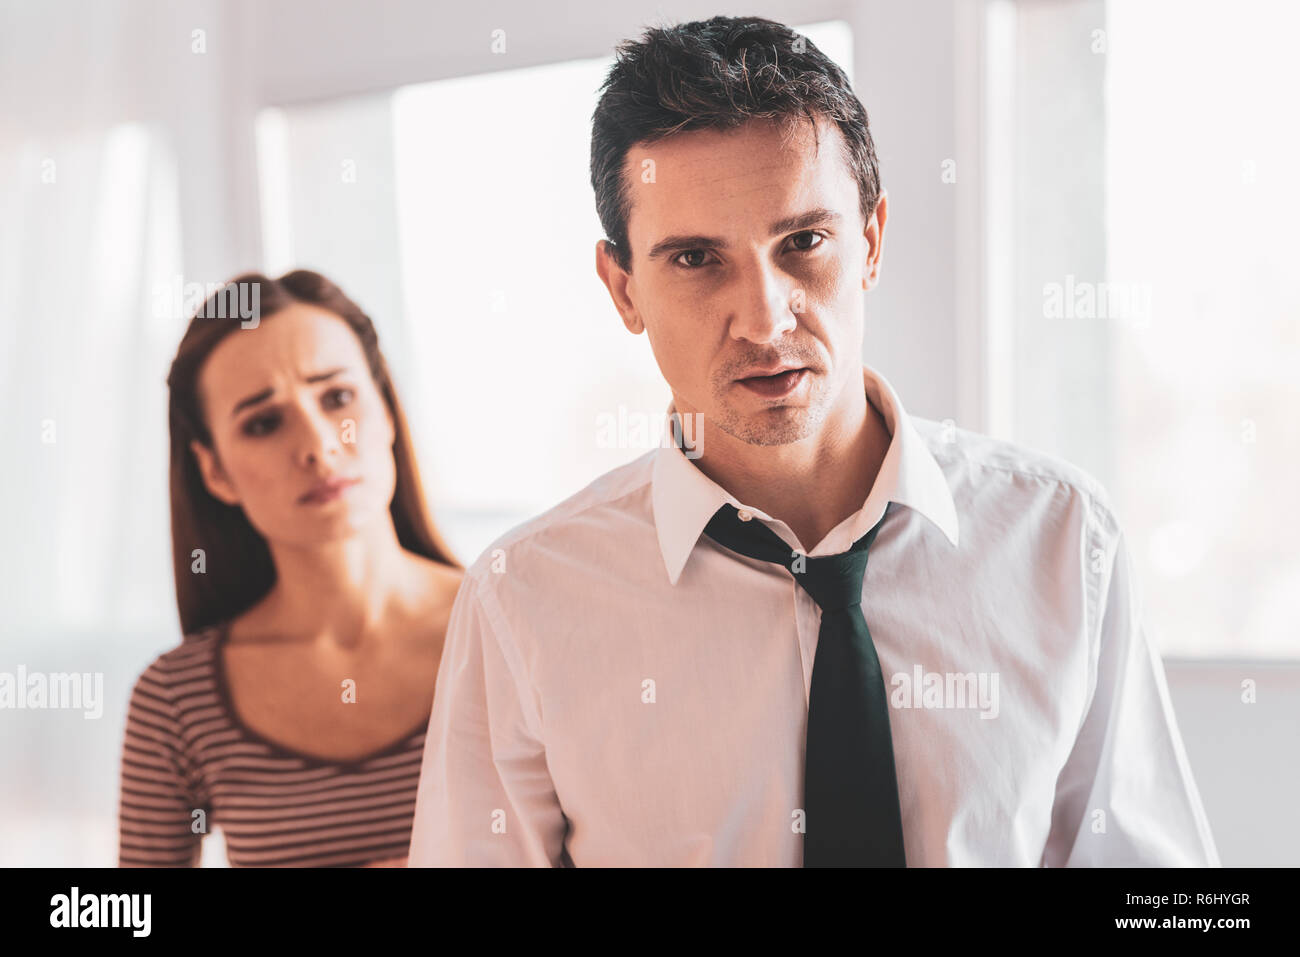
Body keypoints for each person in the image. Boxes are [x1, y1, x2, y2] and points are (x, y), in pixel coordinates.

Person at [407, 15, 1219, 866]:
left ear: (869, 239)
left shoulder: (1063, 543)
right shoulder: (524, 605)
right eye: (694, 259)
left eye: (803, 242)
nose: (764, 317)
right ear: (623, 288)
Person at [118, 269, 463, 867]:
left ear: (385, 411)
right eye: (263, 422)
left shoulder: (517, 623)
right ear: (215, 471)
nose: (318, 444)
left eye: (337, 397)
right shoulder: (176, 701)